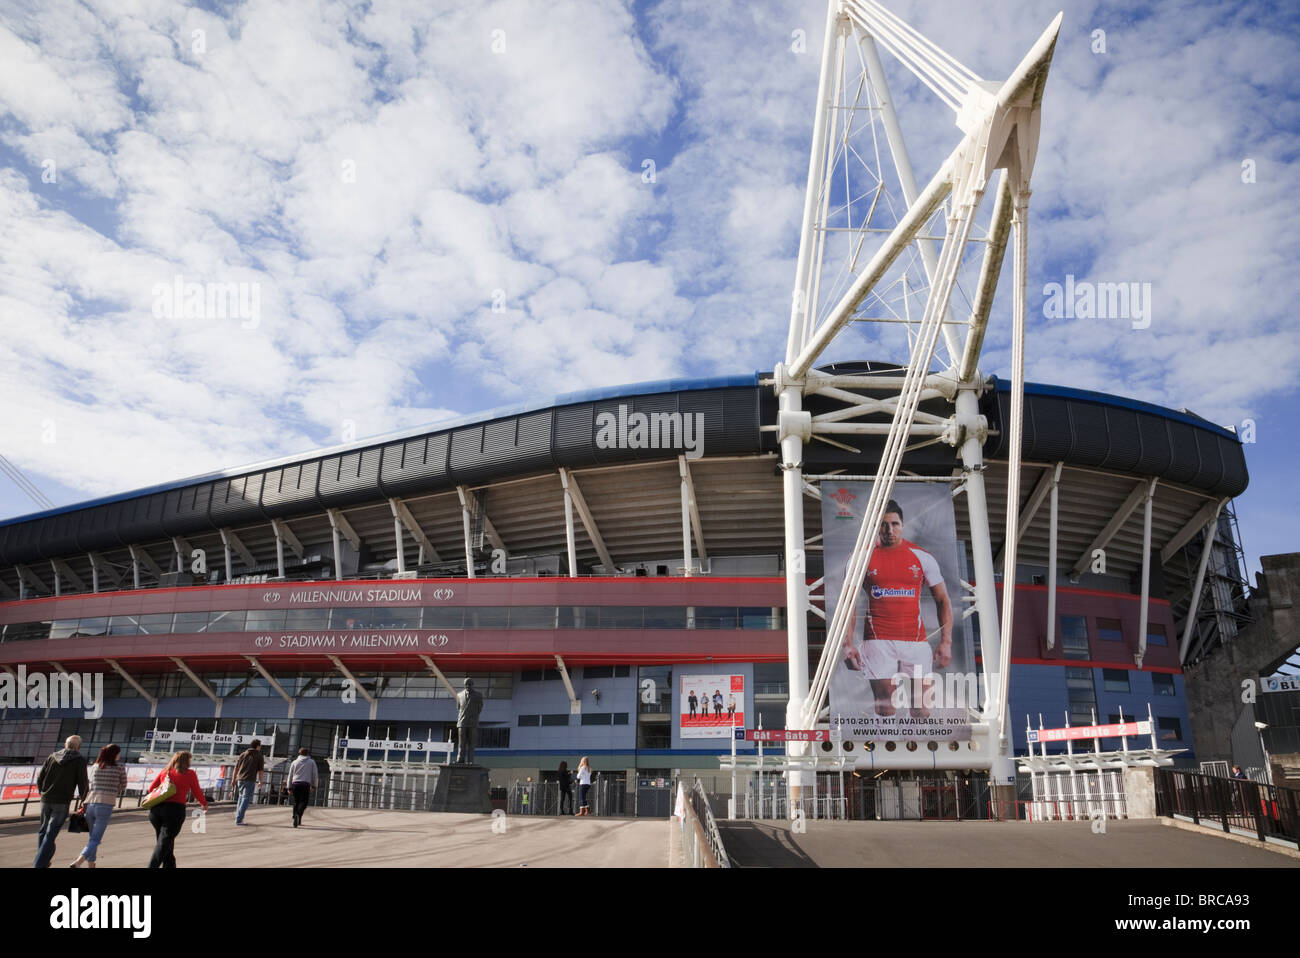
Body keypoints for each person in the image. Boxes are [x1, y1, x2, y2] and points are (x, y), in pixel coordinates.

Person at [842, 499, 953, 718]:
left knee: (922, 711)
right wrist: (847, 644)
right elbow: (848, 604)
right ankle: (885, 749)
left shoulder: (922, 557)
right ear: (875, 526)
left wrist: (946, 641)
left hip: (916, 641)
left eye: (894, 524)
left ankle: (922, 750)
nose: (889, 530)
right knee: (886, 709)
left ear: (902, 524)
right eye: (883, 525)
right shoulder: (860, 558)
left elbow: (943, 599)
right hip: (878, 641)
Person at [33, 735, 89, 868]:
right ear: (78, 747)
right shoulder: (79, 760)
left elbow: (40, 777)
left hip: (46, 799)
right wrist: (84, 801)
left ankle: (44, 861)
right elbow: (83, 783)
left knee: (43, 831)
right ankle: (39, 864)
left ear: (65, 745)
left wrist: (42, 792)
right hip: (62, 801)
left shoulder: (52, 757)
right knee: (51, 833)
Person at [146, 750, 208, 869]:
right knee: (163, 844)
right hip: (174, 811)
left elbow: (151, 789)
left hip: (156, 810)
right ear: (186, 761)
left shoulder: (166, 771)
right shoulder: (190, 774)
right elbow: (196, 791)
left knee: (166, 842)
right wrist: (204, 804)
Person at [69, 744, 127, 868]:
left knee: (92, 838)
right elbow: (123, 785)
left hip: (90, 803)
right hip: (105, 804)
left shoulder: (95, 766)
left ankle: (91, 864)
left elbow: (89, 785)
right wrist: (114, 787)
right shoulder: (120, 768)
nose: (119, 755)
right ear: (114, 754)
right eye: (118, 753)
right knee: (96, 839)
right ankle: (78, 862)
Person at [232, 738, 264, 825]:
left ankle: (238, 818)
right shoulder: (259, 756)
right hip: (249, 779)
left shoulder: (243, 754)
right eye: (260, 746)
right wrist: (261, 781)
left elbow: (236, 768)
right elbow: (260, 771)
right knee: (246, 799)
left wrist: (233, 779)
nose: (260, 748)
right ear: (257, 746)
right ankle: (239, 819)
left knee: (241, 798)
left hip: (240, 779)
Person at [455, 677, 484, 764]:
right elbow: (459, 708)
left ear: (472, 685)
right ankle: (460, 759)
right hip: (462, 722)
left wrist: (472, 716)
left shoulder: (478, 695)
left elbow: (480, 708)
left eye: (469, 684)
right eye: (466, 684)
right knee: (461, 743)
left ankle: (470, 760)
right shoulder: (459, 695)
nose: (467, 686)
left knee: (471, 743)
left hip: (472, 723)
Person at [287, 748, 318, 827]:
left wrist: (289, 787)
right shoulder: (311, 762)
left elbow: (290, 775)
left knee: (296, 801)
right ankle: (298, 814)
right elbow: (315, 774)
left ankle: (296, 818)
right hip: (305, 784)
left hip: (295, 783)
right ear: (307, 754)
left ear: (299, 753)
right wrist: (314, 785)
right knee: (304, 802)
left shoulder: (294, 762)